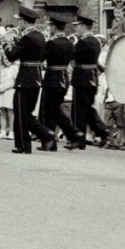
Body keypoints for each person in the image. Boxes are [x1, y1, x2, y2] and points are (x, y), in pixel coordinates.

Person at [3, 6, 55, 154]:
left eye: (19, 20)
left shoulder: (27, 37)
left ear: (24, 21)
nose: (18, 23)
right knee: (26, 112)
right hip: (36, 77)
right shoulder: (39, 36)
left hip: (25, 78)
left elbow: (11, 56)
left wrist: (9, 43)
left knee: (21, 112)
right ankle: (25, 144)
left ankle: (40, 136)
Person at [39, 16, 82, 151]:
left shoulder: (52, 43)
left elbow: (41, 57)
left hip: (52, 79)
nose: (48, 29)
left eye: (49, 26)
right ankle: (65, 136)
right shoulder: (69, 43)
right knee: (54, 110)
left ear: (53, 27)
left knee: (48, 111)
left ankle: (68, 135)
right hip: (64, 79)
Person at [68, 14, 108, 149]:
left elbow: (71, 55)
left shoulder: (83, 42)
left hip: (82, 78)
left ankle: (79, 138)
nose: (76, 30)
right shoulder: (96, 41)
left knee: (79, 110)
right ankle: (102, 131)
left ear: (83, 26)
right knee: (87, 108)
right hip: (92, 78)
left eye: (77, 26)